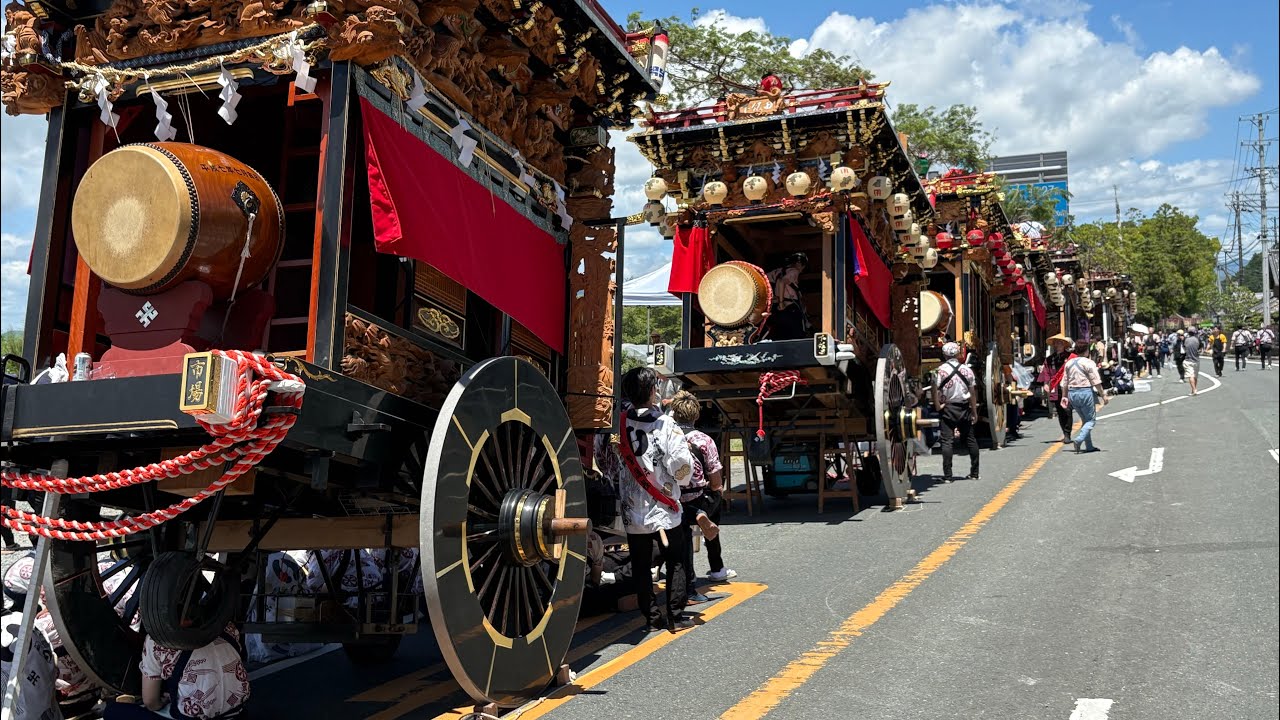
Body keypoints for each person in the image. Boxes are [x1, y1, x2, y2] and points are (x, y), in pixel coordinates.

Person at [615, 366, 693, 632]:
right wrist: (680, 479)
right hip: (663, 504)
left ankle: (651, 616)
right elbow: (681, 465)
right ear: (650, 392)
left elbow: (610, 457)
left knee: (640, 563)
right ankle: (675, 613)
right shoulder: (665, 424)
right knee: (676, 558)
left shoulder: (619, 423)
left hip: (632, 506)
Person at [102, 623, 249, 720]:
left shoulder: (155, 641)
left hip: (192, 717)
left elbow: (150, 702)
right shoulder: (227, 626)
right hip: (236, 712)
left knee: (113, 712)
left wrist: (162, 702)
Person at [667, 391, 737, 595]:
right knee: (715, 498)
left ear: (674, 413)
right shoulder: (704, 440)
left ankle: (662, 568)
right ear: (696, 416)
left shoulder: (665, 437)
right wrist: (715, 488)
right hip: (699, 497)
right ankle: (717, 568)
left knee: (681, 530)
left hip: (670, 498)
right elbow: (715, 482)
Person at [932, 342, 979, 482]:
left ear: (944, 354)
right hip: (964, 407)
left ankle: (948, 476)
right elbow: (972, 392)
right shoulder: (967, 370)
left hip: (947, 407)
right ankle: (975, 473)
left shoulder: (938, 371)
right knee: (970, 439)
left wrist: (937, 406)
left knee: (947, 441)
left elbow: (935, 390)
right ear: (958, 354)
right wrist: (974, 411)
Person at [1059, 339, 1107, 453]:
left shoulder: (1069, 363)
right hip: (1085, 392)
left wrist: (1064, 396)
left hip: (1072, 394)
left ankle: (1089, 446)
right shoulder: (1088, 363)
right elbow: (1096, 381)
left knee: (1085, 420)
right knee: (1091, 420)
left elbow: (1064, 382)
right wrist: (1103, 395)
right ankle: (1079, 439)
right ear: (1086, 351)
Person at [1039, 334, 1075, 444]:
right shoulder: (1050, 359)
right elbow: (1046, 372)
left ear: (1064, 344)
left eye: (1060, 342)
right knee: (1060, 411)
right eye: (1056, 343)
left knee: (1067, 410)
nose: (1057, 345)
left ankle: (1068, 433)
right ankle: (1064, 433)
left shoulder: (1071, 357)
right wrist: (1046, 383)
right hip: (1056, 388)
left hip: (1068, 387)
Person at [765, 252, 809, 340]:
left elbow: (764, 278)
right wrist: (781, 302)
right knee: (796, 336)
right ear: (799, 264)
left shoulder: (778, 271)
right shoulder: (794, 271)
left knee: (781, 334)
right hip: (789, 307)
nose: (802, 269)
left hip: (778, 308)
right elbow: (782, 282)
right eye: (803, 266)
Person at [1182, 329, 1202, 395]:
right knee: (1195, 376)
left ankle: (1194, 390)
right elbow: (1200, 347)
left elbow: (1184, 348)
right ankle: (1193, 390)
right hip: (1196, 360)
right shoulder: (1197, 339)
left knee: (1191, 376)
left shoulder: (1186, 340)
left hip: (1188, 360)